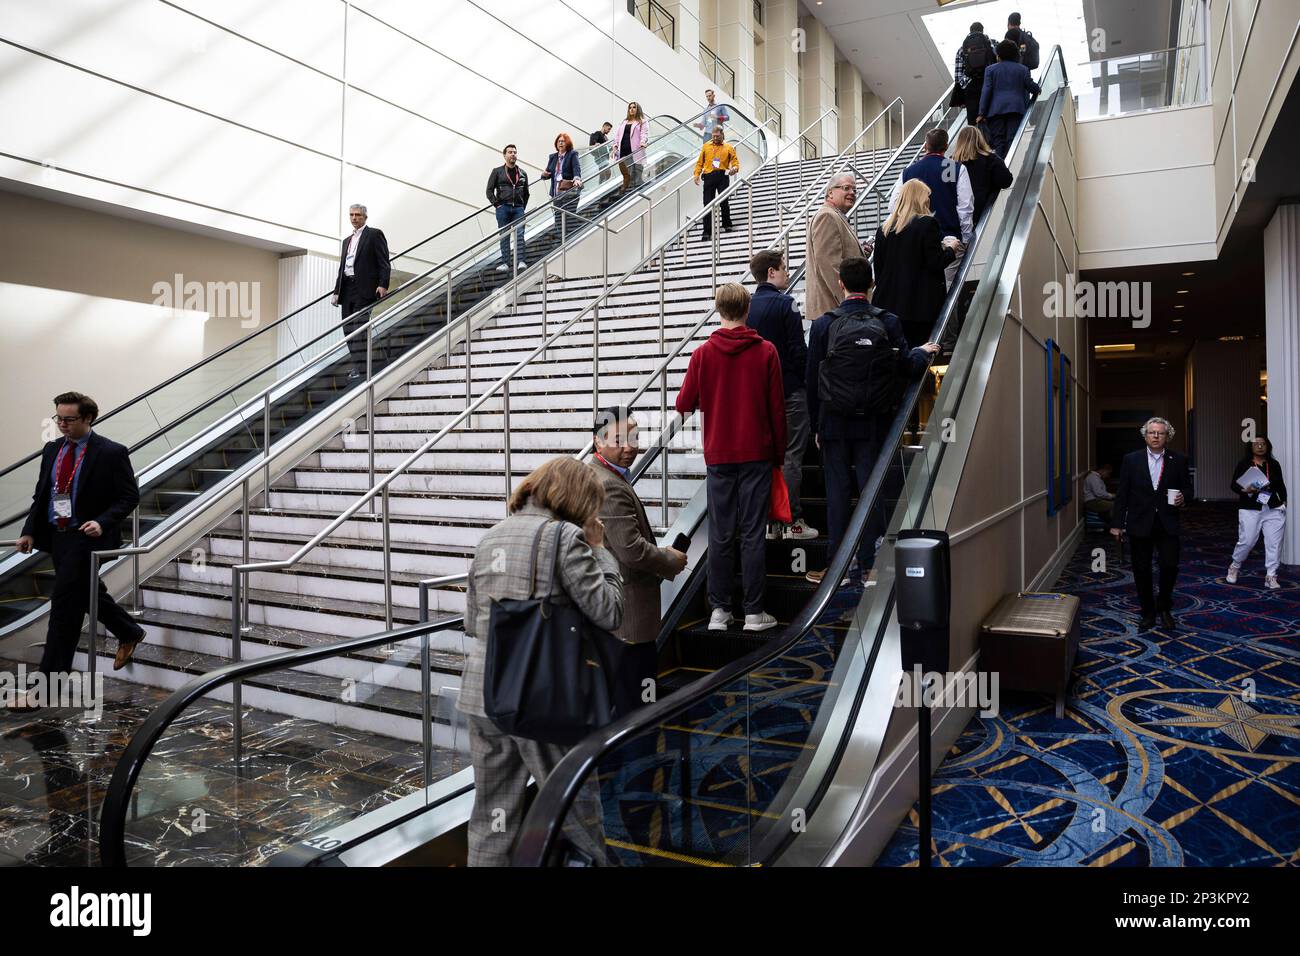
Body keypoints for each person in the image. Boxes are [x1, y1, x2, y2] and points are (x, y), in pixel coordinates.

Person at [459, 456, 621, 866]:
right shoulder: (565, 538)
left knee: (493, 814)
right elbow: (609, 611)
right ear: (577, 498)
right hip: (540, 699)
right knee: (576, 808)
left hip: (483, 696)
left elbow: (473, 623)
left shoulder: (491, 536)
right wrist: (601, 552)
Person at [805, 259, 939, 586]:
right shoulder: (888, 321)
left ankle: (837, 569)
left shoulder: (823, 325)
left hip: (834, 423)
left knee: (836, 495)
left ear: (841, 285)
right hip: (873, 423)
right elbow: (906, 365)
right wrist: (923, 352)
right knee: (871, 491)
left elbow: (811, 380)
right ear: (871, 285)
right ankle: (869, 566)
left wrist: (816, 426)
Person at [12, 392, 146, 709]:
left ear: (87, 418)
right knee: (85, 593)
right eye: (58, 418)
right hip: (58, 538)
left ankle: (43, 690)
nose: (62, 425)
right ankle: (128, 631)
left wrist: (102, 522)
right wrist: (29, 530)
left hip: (87, 537)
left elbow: (129, 497)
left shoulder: (111, 452)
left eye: (69, 419)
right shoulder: (53, 449)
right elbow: (42, 494)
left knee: (63, 610)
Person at [675, 283, 786, 633]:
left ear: (719, 309)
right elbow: (777, 410)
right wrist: (778, 455)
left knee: (721, 533)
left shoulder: (702, 355)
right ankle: (754, 612)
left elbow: (683, 404)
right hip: (757, 453)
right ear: (747, 308)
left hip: (719, 455)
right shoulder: (766, 352)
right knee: (753, 533)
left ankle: (719, 611)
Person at [588, 407, 689, 708]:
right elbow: (631, 549)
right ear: (598, 442)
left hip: (611, 618)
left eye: (634, 436)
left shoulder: (601, 475)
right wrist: (671, 560)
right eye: (619, 440)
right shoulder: (607, 483)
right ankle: (638, 755)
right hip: (628, 622)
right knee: (637, 707)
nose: (630, 447)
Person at [747, 250, 816, 541]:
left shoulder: (746, 307)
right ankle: (793, 521)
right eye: (784, 268)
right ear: (772, 272)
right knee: (791, 456)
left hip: (758, 395)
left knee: (768, 458)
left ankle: (771, 523)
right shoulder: (785, 304)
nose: (787, 273)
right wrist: (804, 382)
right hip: (788, 390)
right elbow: (798, 350)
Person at [1110, 417, 1191, 630]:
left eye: (1160, 433)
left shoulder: (1179, 459)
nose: (1155, 436)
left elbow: (1188, 490)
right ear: (1145, 435)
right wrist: (1117, 523)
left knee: (1169, 566)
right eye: (1151, 432)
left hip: (1168, 523)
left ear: (1168, 436)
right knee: (1141, 569)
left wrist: (1184, 497)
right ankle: (1147, 612)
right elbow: (1122, 494)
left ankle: (1164, 606)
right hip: (1139, 523)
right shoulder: (1131, 459)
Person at [871, 179, 962, 347]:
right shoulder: (927, 224)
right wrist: (951, 249)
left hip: (887, 305)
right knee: (920, 351)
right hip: (919, 306)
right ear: (919, 198)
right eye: (927, 196)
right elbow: (935, 262)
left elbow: (879, 270)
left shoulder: (883, 229)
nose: (928, 200)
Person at [890, 128, 973, 287]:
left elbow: (894, 205)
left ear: (925, 146)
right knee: (948, 290)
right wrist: (966, 237)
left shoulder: (909, 171)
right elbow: (965, 206)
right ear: (946, 146)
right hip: (948, 238)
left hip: (914, 240)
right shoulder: (952, 167)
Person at [331, 204, 391, 379]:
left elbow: (383, 261)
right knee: (348, 329)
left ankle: (365, 367)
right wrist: (336, 291)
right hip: (347, 288)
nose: (354, 218)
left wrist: (383, 284)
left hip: (364, 288)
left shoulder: (374, 234)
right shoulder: (346, 241)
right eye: (351, 215)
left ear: (365, 217)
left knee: (359, 328)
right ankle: (358, 365)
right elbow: (342, 268)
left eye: (358, 215)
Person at [805, 172, 869, 329]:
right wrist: (850, 303)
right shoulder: (827, 216)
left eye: (855, 190)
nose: (852, 193)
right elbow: (829, 265)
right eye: (846, 188)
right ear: (830, 193)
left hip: (835, 312)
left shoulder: (836, 216)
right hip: (833, 312)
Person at [1227, 436, 1287, 589]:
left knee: (1274, 543)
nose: (1260, 446)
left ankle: (1271, 575)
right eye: (1256, 444)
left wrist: (1284, 502)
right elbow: (1233, 485)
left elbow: (1280, 485)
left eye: (1263, 444)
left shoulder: (1273, 464)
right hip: (1250, 507)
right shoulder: (1244, 464)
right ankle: (1235, 565)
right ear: (1251, 447)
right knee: (1247, 541)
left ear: (1268, 446)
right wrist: (1245, 490)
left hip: (1273, 507)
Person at [978, 40, 1041, 159]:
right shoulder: (1022, 69)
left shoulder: (990, 70)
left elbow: (986, 91)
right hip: (1016, 109)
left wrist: (981, 112)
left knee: (998, 141)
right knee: (1012, 139)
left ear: (999, 54)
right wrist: (1037, 89)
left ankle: (1001, 166)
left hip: (995, 111)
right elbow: (1030, 85)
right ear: (1015, 54)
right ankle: (1009, 163)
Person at [951, 125, 1013, 222]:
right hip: (983, 211)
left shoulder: (951, 163)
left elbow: (948, 189)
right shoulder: (990, 159)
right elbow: (1006, 181)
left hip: (958, 215)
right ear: (980, 139)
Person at [485, 144, 530, 272]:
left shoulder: (522, 173)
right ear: (504, 155)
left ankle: (521, 261)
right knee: (504, 235)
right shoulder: (497, 171)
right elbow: (489, 191)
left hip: (518, 209)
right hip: (503, 208)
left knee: (520, 234)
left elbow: (526, 193)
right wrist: (497, 205)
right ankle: (505, 262)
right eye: (510, 152)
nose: (513, 154)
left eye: (515, 152)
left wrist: (521, 206)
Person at [693, 125, 740, 240]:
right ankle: (707, 231)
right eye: (713, 136)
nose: (715, 138)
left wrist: (734, 169)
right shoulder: (706, 147)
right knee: (707, 204)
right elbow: (700, 163)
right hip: (708, 177)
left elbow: (735, 162)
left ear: (722, 135)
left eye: (717, 136)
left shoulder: (729, 147)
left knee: (724, 201)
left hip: (722, 176)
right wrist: (696, 174)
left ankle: (727, 224)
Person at [953, 21, 998, 129]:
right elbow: (999, 63)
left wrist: (966, 86)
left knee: (973, 124)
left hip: (971, 88)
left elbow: (958, 76)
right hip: (989, 83)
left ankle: (976, 144)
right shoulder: (993, 43)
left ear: (970, 31)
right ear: (982, 31)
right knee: (993, 118)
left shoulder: (961, 49)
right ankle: (993, 143)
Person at [540, 132, 583, 236]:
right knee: (558, 218)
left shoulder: (572, 154)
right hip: (556, 193)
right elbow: (548, 172)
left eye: (563, 141)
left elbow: (576, 168)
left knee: (569, 217)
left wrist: (577, 178)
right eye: (559, 141)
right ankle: (561, 240)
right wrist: (544, 174)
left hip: (569, 192)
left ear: (567, 143)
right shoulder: (553, 157)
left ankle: (570, 238)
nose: (560, 143)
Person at [611, 101, 650, 193]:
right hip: (623, 150)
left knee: (636, 170)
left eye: (634, 107)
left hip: (635, 149)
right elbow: (617, 135)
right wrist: (615, 145)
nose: (631, 109)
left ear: (638, 109)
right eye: (630, 107)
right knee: (626, 172)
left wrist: (643, 142)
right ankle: (627, 189)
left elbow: (644, 134)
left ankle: (634, 190)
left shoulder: (642, 121)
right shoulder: (624, 122)